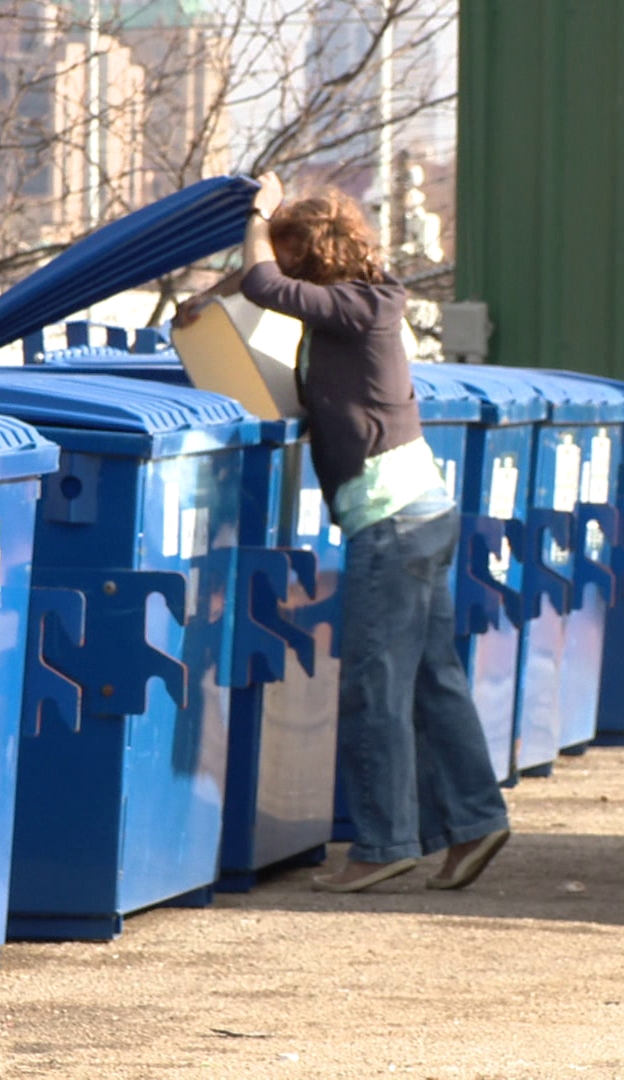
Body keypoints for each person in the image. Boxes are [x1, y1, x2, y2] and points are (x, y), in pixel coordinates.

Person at [176, 173, 511, 893]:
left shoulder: (362, 306)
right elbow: (266, 281)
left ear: (316, 256)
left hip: (392, 521)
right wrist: (215, 297)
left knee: (373, 683)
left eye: (296, 257)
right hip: (417, 511)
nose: (284, 267)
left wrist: (260, 221)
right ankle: (476, 822)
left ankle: (384, 843)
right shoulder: (360, 306)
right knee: (430, 677)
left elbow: (271, 285)